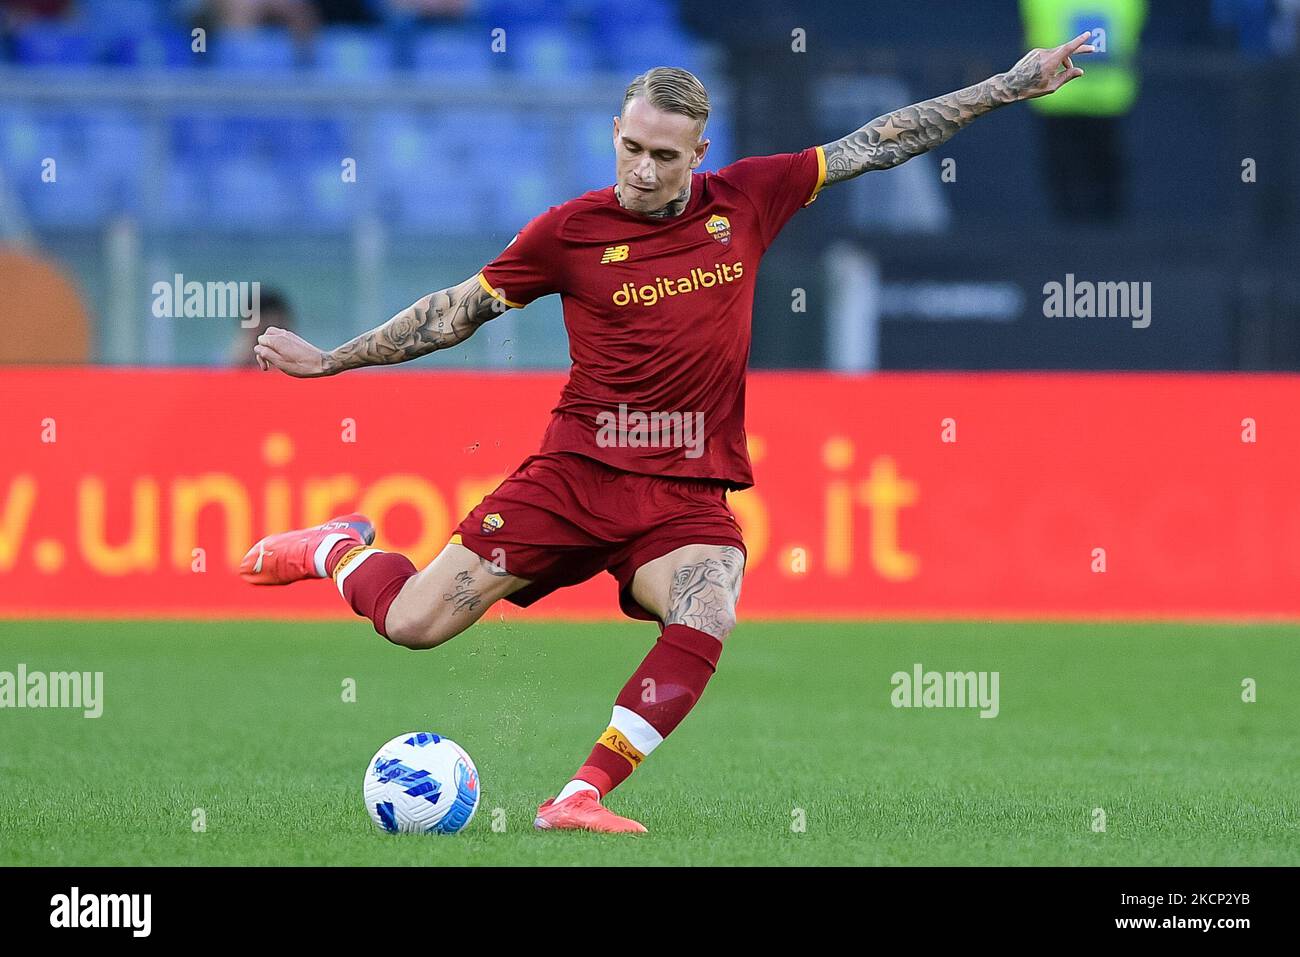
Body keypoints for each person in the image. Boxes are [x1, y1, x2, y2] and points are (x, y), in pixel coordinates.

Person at [241, 38, 1094, 834]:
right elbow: (456, 312)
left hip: (685, 494)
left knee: (710, 601)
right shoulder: (567, 233)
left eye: (664, 155)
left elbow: (883, 138)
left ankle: (578, 793)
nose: (643, 169)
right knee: (413, 624)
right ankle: (333, 552)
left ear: (700, 152)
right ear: (615, 132)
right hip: (575, 474)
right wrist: (334, 362)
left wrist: (1012, 85)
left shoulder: (750, 199)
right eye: (632, 147)